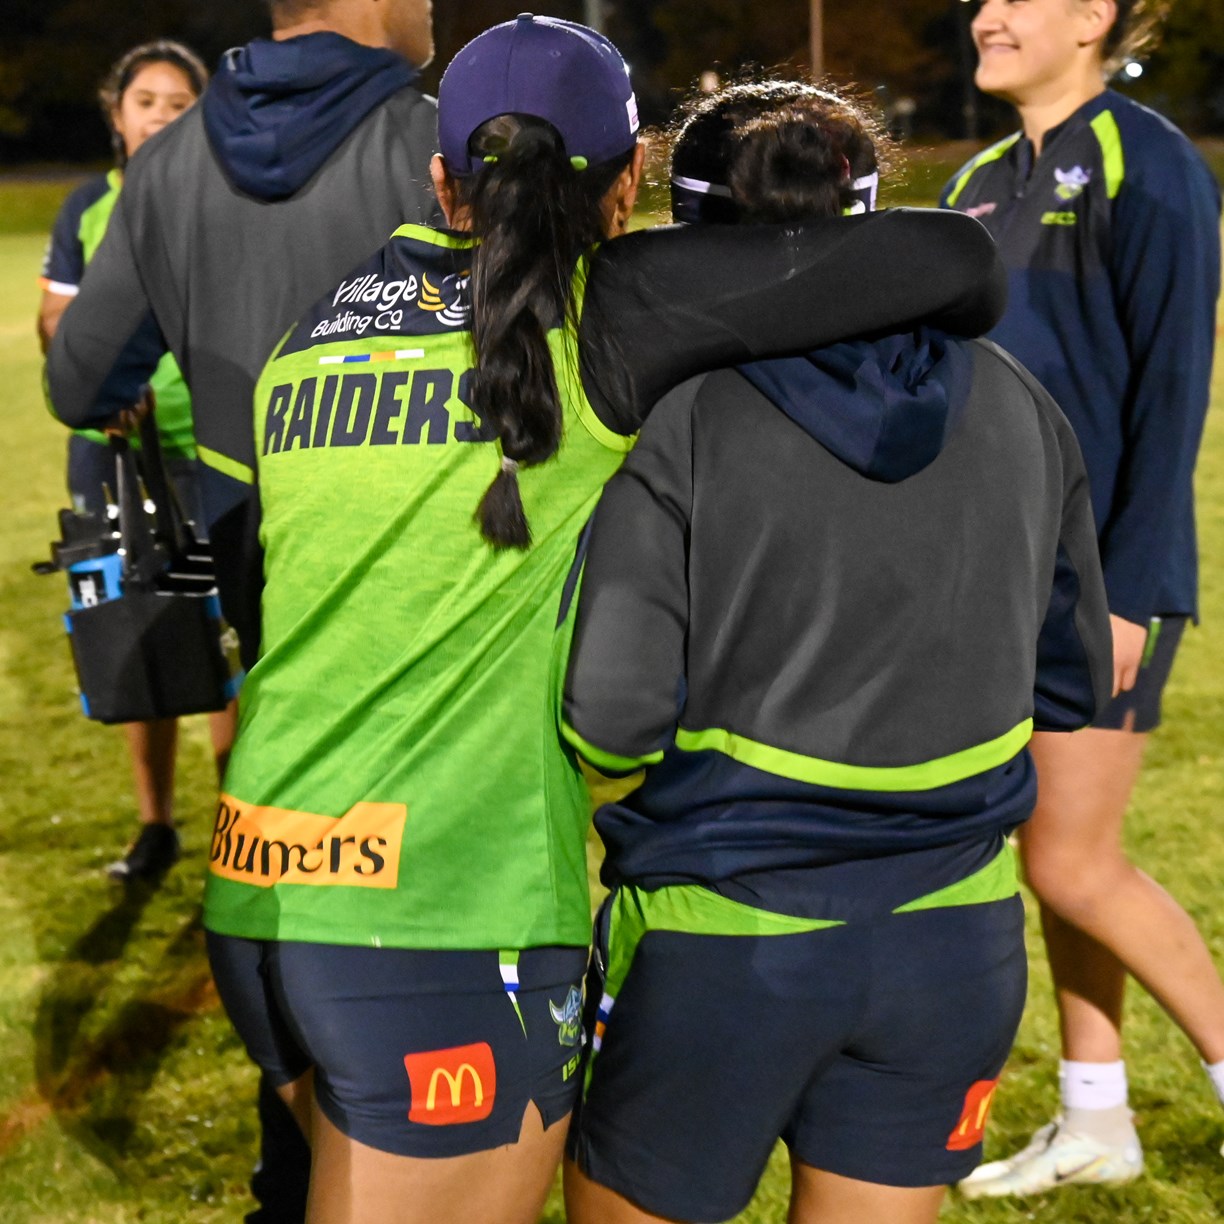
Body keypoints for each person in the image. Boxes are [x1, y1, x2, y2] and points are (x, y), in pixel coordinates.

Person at [197, 19, 1010, 1224]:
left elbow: (252, 579)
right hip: (443, 913)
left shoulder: (312, 333)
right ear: (628, 182)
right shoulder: (613, 312)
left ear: (440, 180)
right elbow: (955, 263)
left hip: (264, 882)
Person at [559, 80, 1113, 1224]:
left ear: (687, 227)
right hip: (956, 936)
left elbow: (607, 714)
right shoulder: (1020, 401)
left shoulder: (685, 417)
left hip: (730, 930)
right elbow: (1070, 678)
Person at [941, 0, 1224, 1196]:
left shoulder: (1143, 162)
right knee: (1047, 847)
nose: (988, 15)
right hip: (997, 581)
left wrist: (1133, 591)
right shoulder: (973, 183)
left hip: (1099, 580)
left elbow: (1174, 395)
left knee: (1071, 861)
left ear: (1094, 16)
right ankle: (1096, 1117)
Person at [45, 0, 441, 673]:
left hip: (259, 578)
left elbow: (80, 384)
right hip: (431, 595)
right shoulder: (441, 146)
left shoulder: (166, 163)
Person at [38, 40, 236, 882]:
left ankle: (240, 825)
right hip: (115, 455)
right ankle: (155, 825)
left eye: (180, 102)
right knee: (134, 625)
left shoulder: (223, 200)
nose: (161, 113)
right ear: (116, 112)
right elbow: (54, 322)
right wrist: (98, 380)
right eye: (146, 99)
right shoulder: (89, 205)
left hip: (214, 448)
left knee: (222, 634)